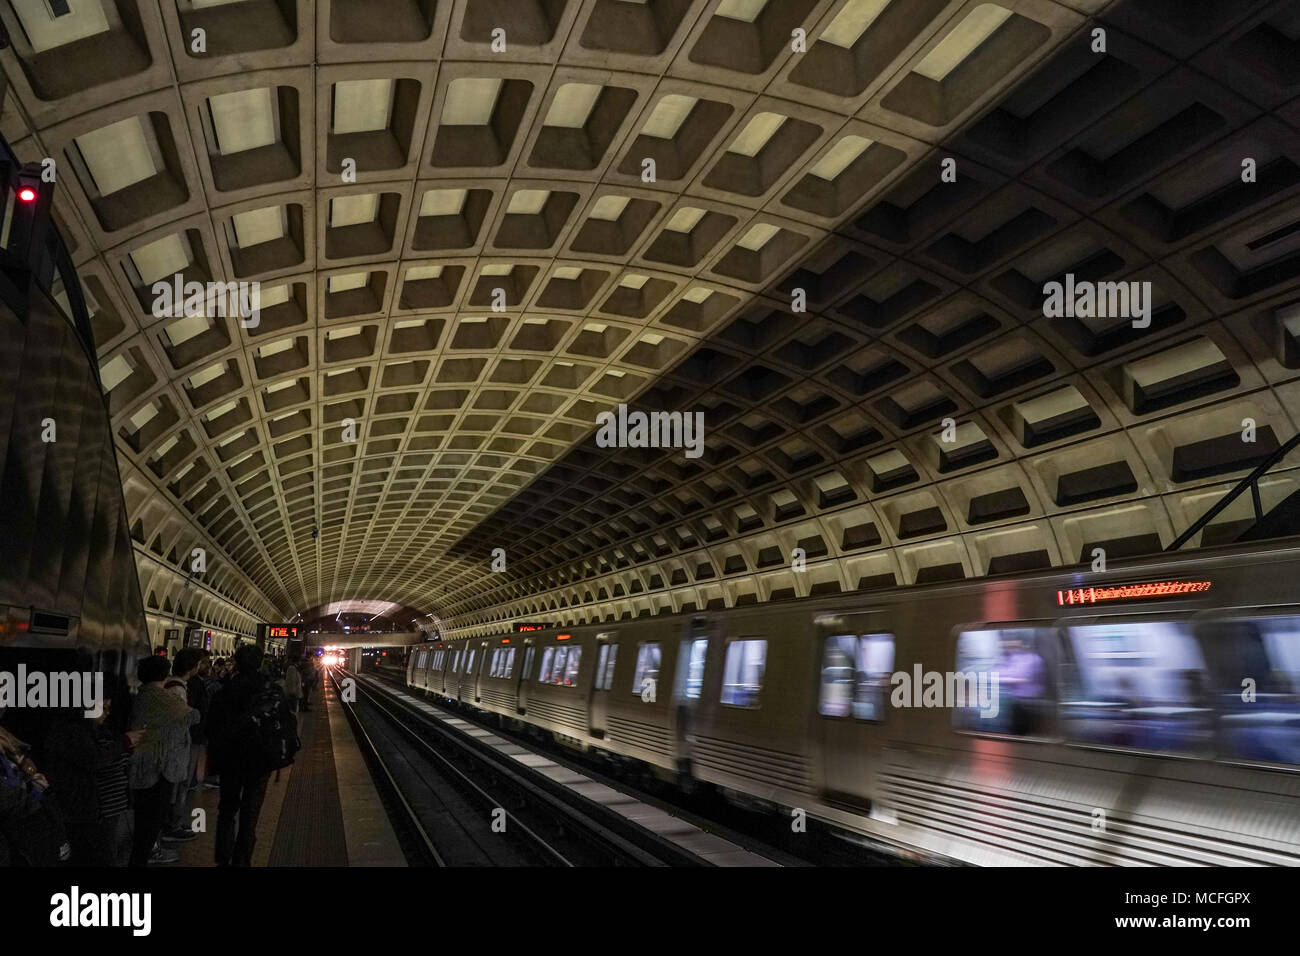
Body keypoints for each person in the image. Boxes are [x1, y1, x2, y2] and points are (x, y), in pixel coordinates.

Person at [44, 698, 142, 866]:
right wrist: (124, 743)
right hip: (82, 808)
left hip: (94, 807)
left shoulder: (95, 730)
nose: (107, 712)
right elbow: (94, 760)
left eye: (108, 707)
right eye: (102, 707)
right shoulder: (73, 731)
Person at [209, 645, 276, 867]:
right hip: (259, 762)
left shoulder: (223, 691)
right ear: (260, 663)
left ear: (236, 662)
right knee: (250, 816)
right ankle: (242, 860)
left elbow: (212, 727)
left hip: (230, 761)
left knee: (226, 811)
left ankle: (222, 859)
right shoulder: (270, 691)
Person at [128, 655, 198, 866]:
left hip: (143, 767)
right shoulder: (160, 696)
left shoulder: (141, 694)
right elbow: (194, 716)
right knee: (150, 823)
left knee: (144, 822)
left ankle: (143, 855)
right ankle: (143, 858)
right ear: (164, 674)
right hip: (157, 770)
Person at [161, 648, 205, 845]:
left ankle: (172, 823)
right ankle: (172, 826)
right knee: (177, 787)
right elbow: (180, 719)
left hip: (177, 745)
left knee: (178, 787)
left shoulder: (175, 685)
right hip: (176, 747)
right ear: (191, 666)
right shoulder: (177, 689)